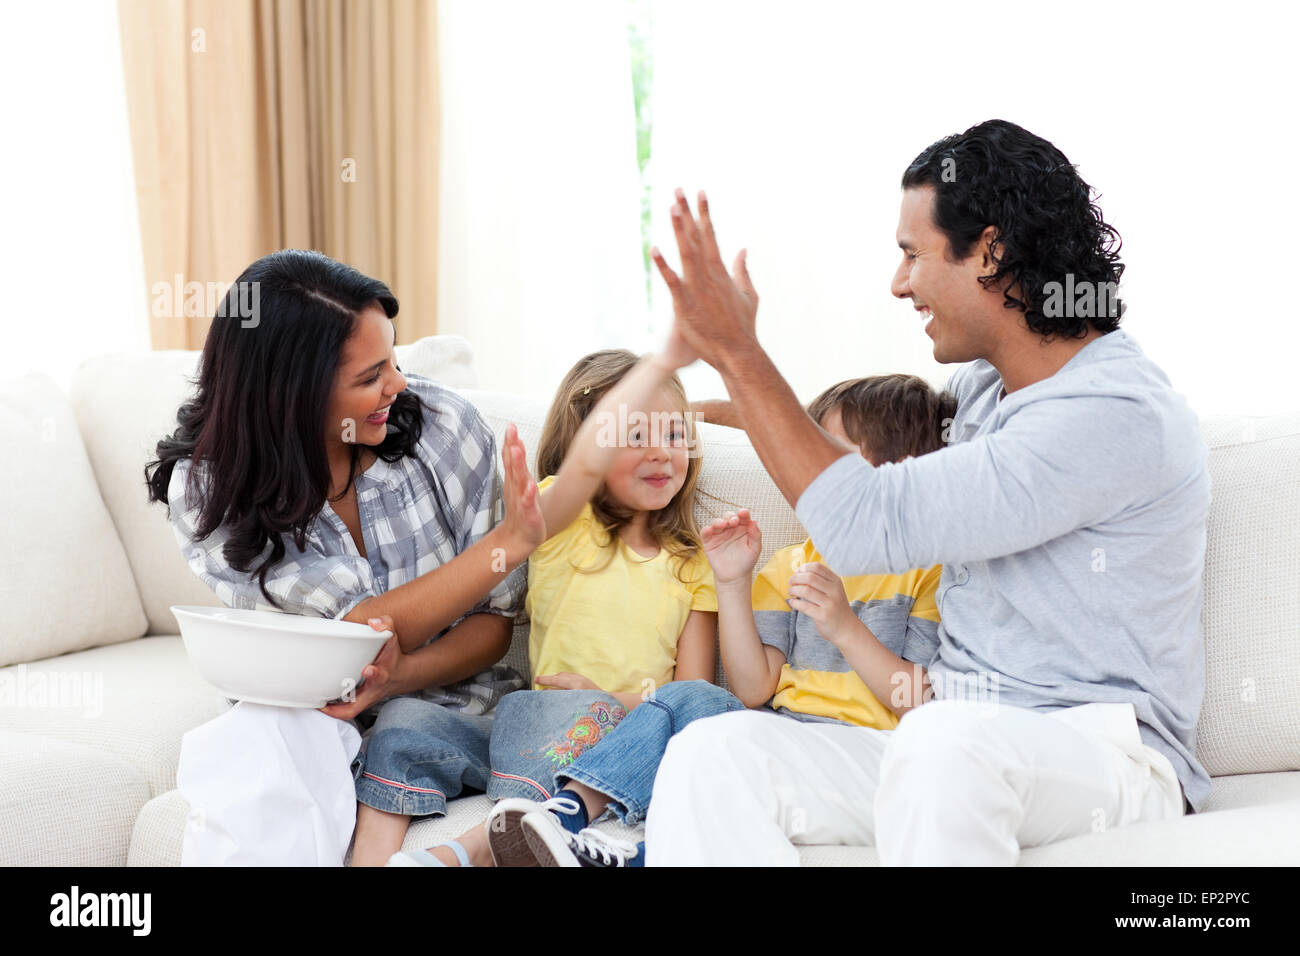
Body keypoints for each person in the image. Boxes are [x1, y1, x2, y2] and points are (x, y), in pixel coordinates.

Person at [643, 118, 1211, 866]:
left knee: (945, 746)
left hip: (1101, 750)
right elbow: (847, 444)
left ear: (991, 251)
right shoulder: (984, 390)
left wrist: (739, 352)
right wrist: (676, 415)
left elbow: (861, 519)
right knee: (712, 753)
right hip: (949, 730)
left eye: (912, 254)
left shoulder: (1109, 416)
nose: (899, 282)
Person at [147, 249, 542, 866]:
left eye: (395, 360)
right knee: (256, 743)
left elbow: (494, 625)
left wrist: (406, 674)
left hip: (448, 708)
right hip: (309, 716)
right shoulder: (208, 488)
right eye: (369, 377)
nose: (400, 385)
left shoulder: (447, 430)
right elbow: (354, 634)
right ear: (292, 394)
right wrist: (506, 543)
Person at [481, 374, 956, 866]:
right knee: (703, 733)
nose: (799, 473)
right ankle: (610, 845)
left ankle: (572, 817)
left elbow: (919, 704)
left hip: (872, 749)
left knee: (706, 731)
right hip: (786, 734)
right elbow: (753, 690)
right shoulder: (789, 567)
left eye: (822, 457)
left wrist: (844, 626)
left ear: (897, 474)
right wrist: (732, 581)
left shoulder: (930, 571)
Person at [385, 346, 720, 867]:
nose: (661, 453)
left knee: (645, 710)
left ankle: (472, 850)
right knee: (405, 719)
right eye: (635, 435)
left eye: (675, 433)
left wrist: (609, 699)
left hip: (628, 732)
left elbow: (690, 693)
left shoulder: (692, 561)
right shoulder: (563, 521)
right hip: (539, 725)